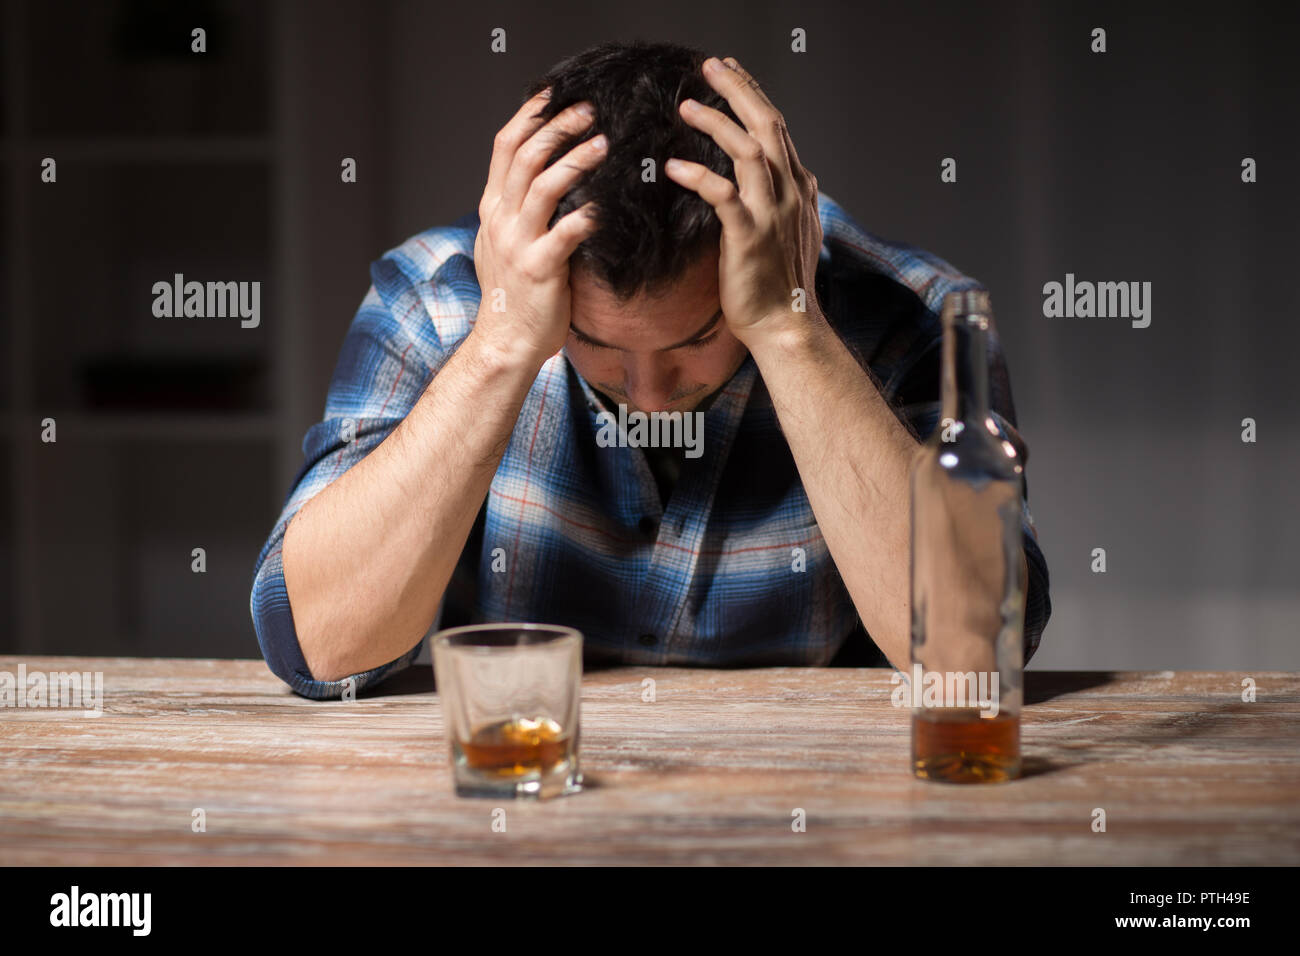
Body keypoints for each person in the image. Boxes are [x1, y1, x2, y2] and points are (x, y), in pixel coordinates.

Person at [250, 40, 1051, 700]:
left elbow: (974, 657)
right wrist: (499, 347)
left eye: (696, 338)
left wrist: (788, 330)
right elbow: (317, 643)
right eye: (596, 343)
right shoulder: (434, 301)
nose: (646, 394)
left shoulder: (921, 312)